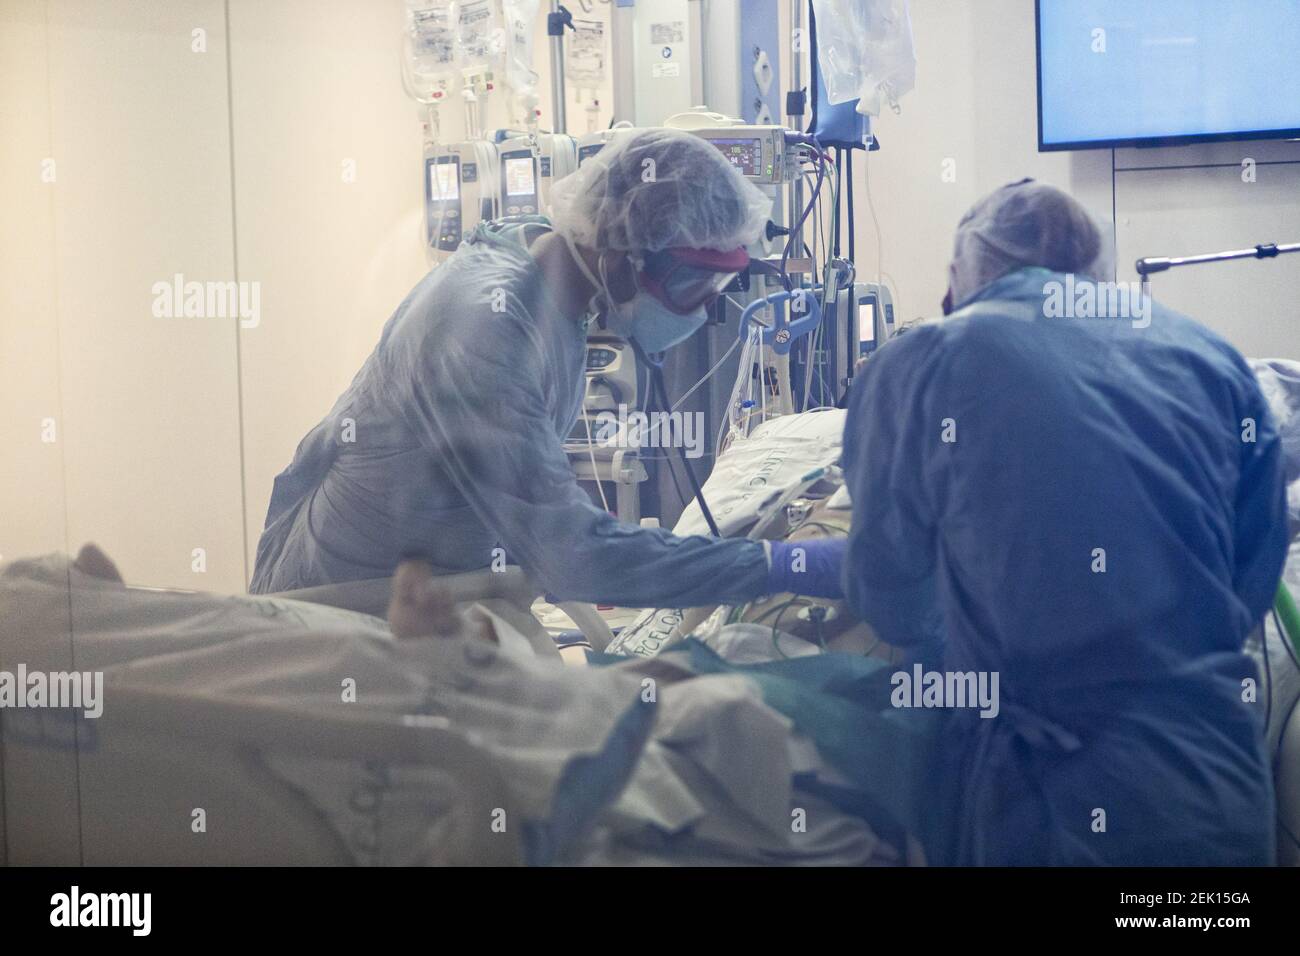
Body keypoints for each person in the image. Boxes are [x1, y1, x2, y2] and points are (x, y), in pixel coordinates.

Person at [841, 179, 1287, 865]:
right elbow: (1250, 574)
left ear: (963, 278)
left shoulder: (925, 357)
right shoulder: (1211, 357)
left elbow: (891, 591)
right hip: (1215, 778)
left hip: (1057, 797)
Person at [250, 128, 843, 607]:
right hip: (343, 612)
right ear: (619, 257)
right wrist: (781, 564)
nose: (710, 306)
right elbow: (573, 556)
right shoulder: (485, 328)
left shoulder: (544, 275)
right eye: (697, 283)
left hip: (420, 600)